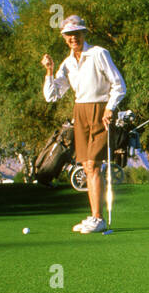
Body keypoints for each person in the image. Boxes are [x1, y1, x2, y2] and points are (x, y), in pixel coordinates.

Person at [41, 15, 127, 233]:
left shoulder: (98, 53)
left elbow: (119, 85)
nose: (73, 38)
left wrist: (110, 107)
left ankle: (98, 218)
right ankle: (94, 216)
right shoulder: (67, 63)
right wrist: (49, 71)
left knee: (93, 165)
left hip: (100, 111)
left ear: (84, 34)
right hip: (80, 112)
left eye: (76, 33)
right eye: (69, 35)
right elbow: (52, 95)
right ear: (64, 38)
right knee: (86, 166)